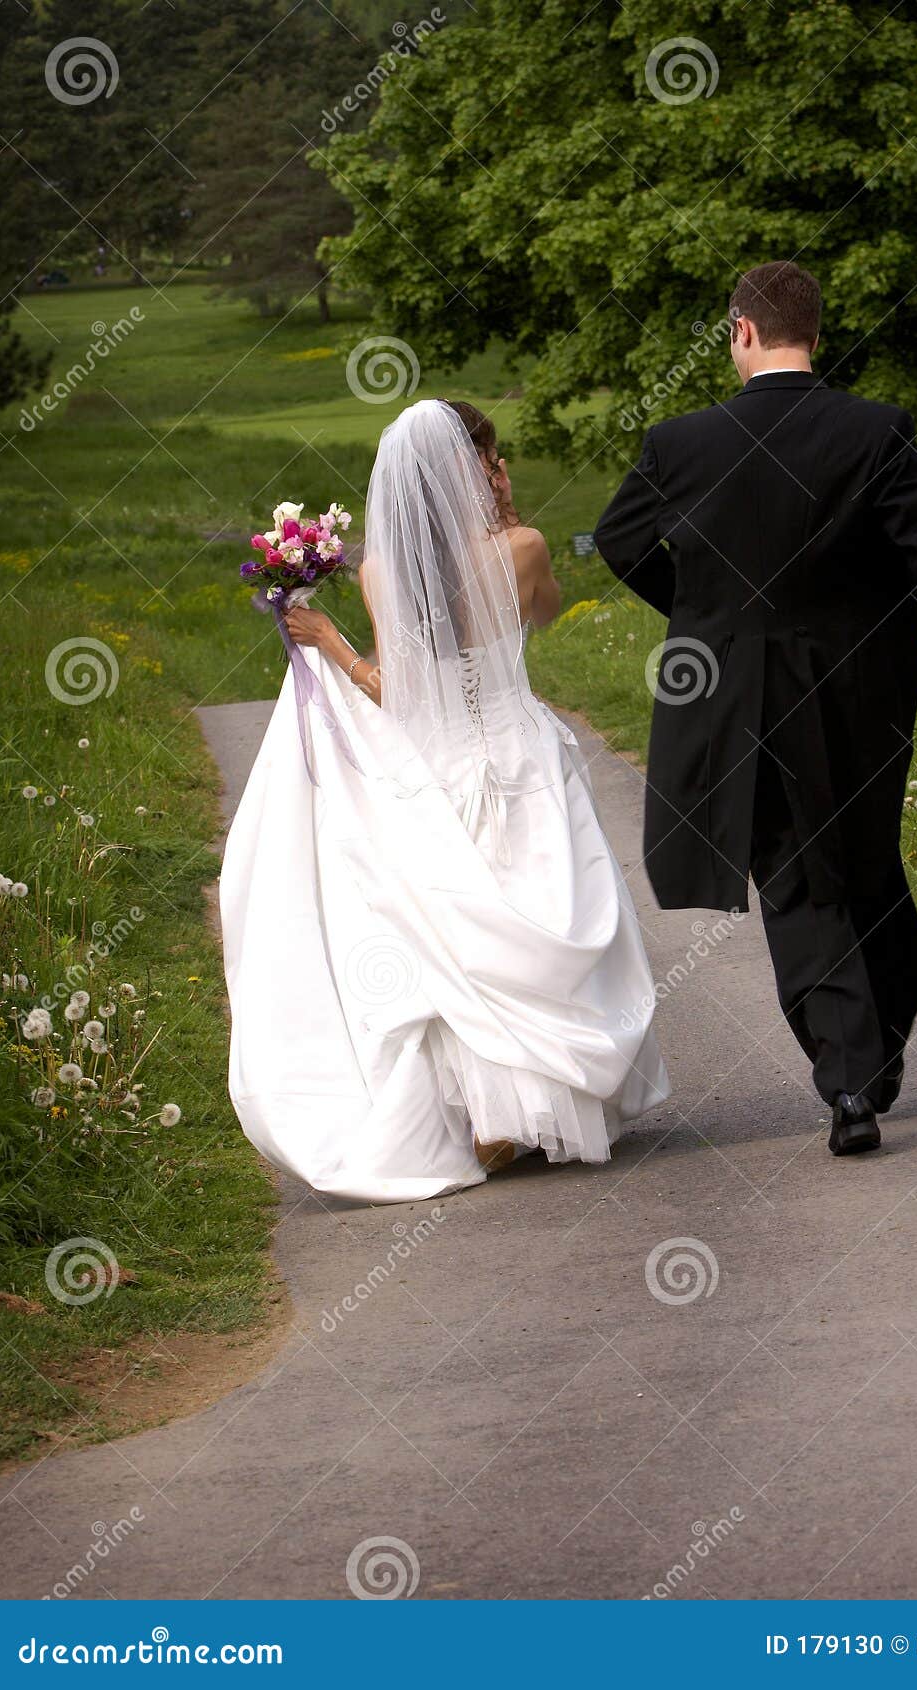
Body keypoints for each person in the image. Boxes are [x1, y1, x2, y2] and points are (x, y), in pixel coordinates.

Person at [594, 260, 917, 1156]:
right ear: (814, 333)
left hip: (739, 694)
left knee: (795, 878)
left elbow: (618, 541)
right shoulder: (874, 430)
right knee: (865, 864)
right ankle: (864, 1064)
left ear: (741, 333)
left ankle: (849, 1082)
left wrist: (704, 618)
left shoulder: (679, 443)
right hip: (865, 686)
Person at [219, 399, 669, 1203]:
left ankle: (491, 1115)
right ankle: (551, 1103)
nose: (501, 470)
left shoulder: (377, 573)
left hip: (440, 767)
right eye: (492, 459)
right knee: (545, 916)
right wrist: (505, 528)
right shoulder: (524, 548)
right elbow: (546, 609)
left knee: (461, 939)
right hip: (520, 752)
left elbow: (399, 694)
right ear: (474, 472)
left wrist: (333, 647)